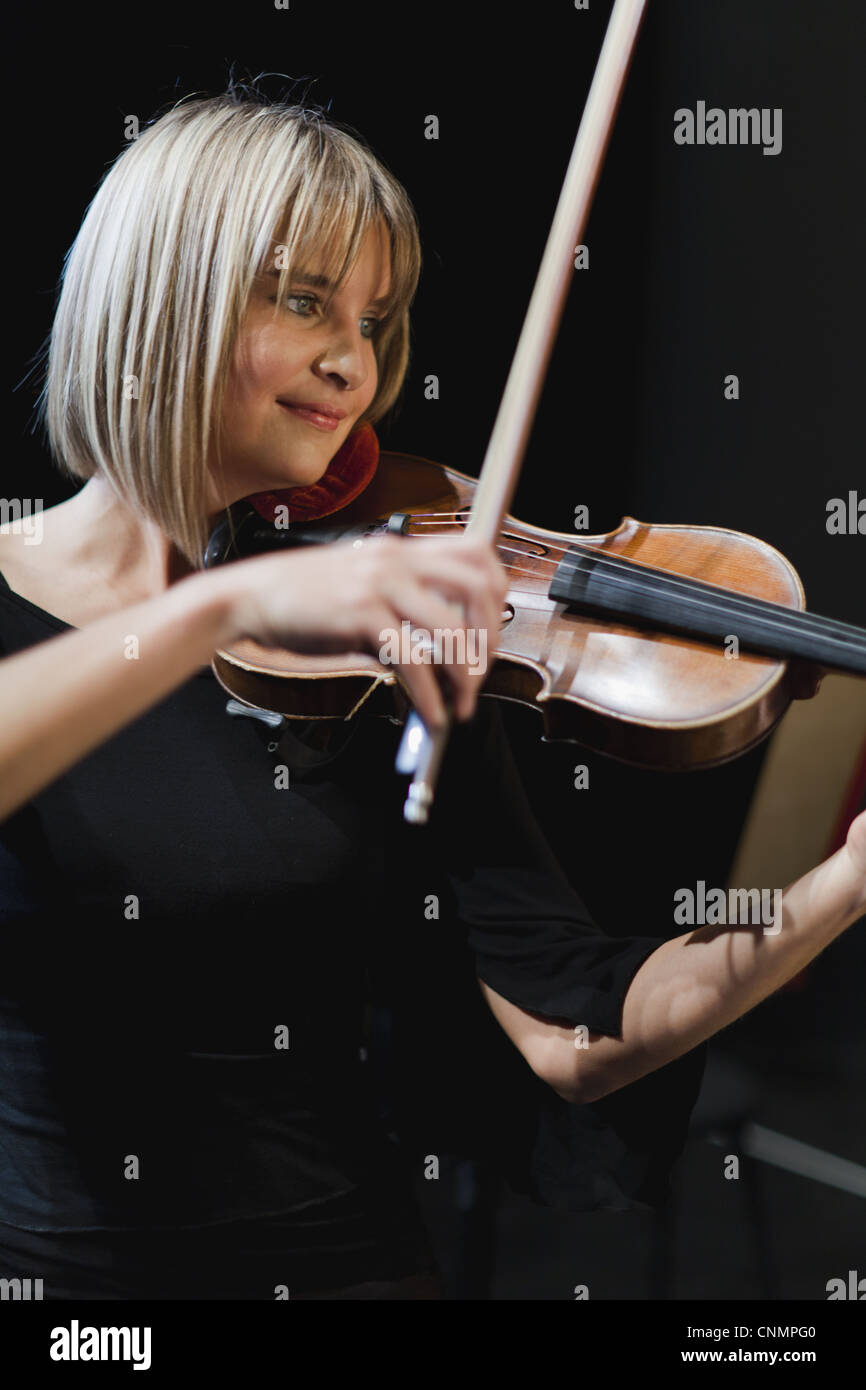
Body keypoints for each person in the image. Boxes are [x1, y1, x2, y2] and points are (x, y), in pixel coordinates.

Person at [1, 90, 863, 1301]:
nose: (354, 363)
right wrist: (216, 609)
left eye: (377, 317)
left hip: (352, 1267)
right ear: (161, 293)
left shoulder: (380, 638)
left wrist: (841, 884)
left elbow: (574, 1033)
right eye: (304, 300)